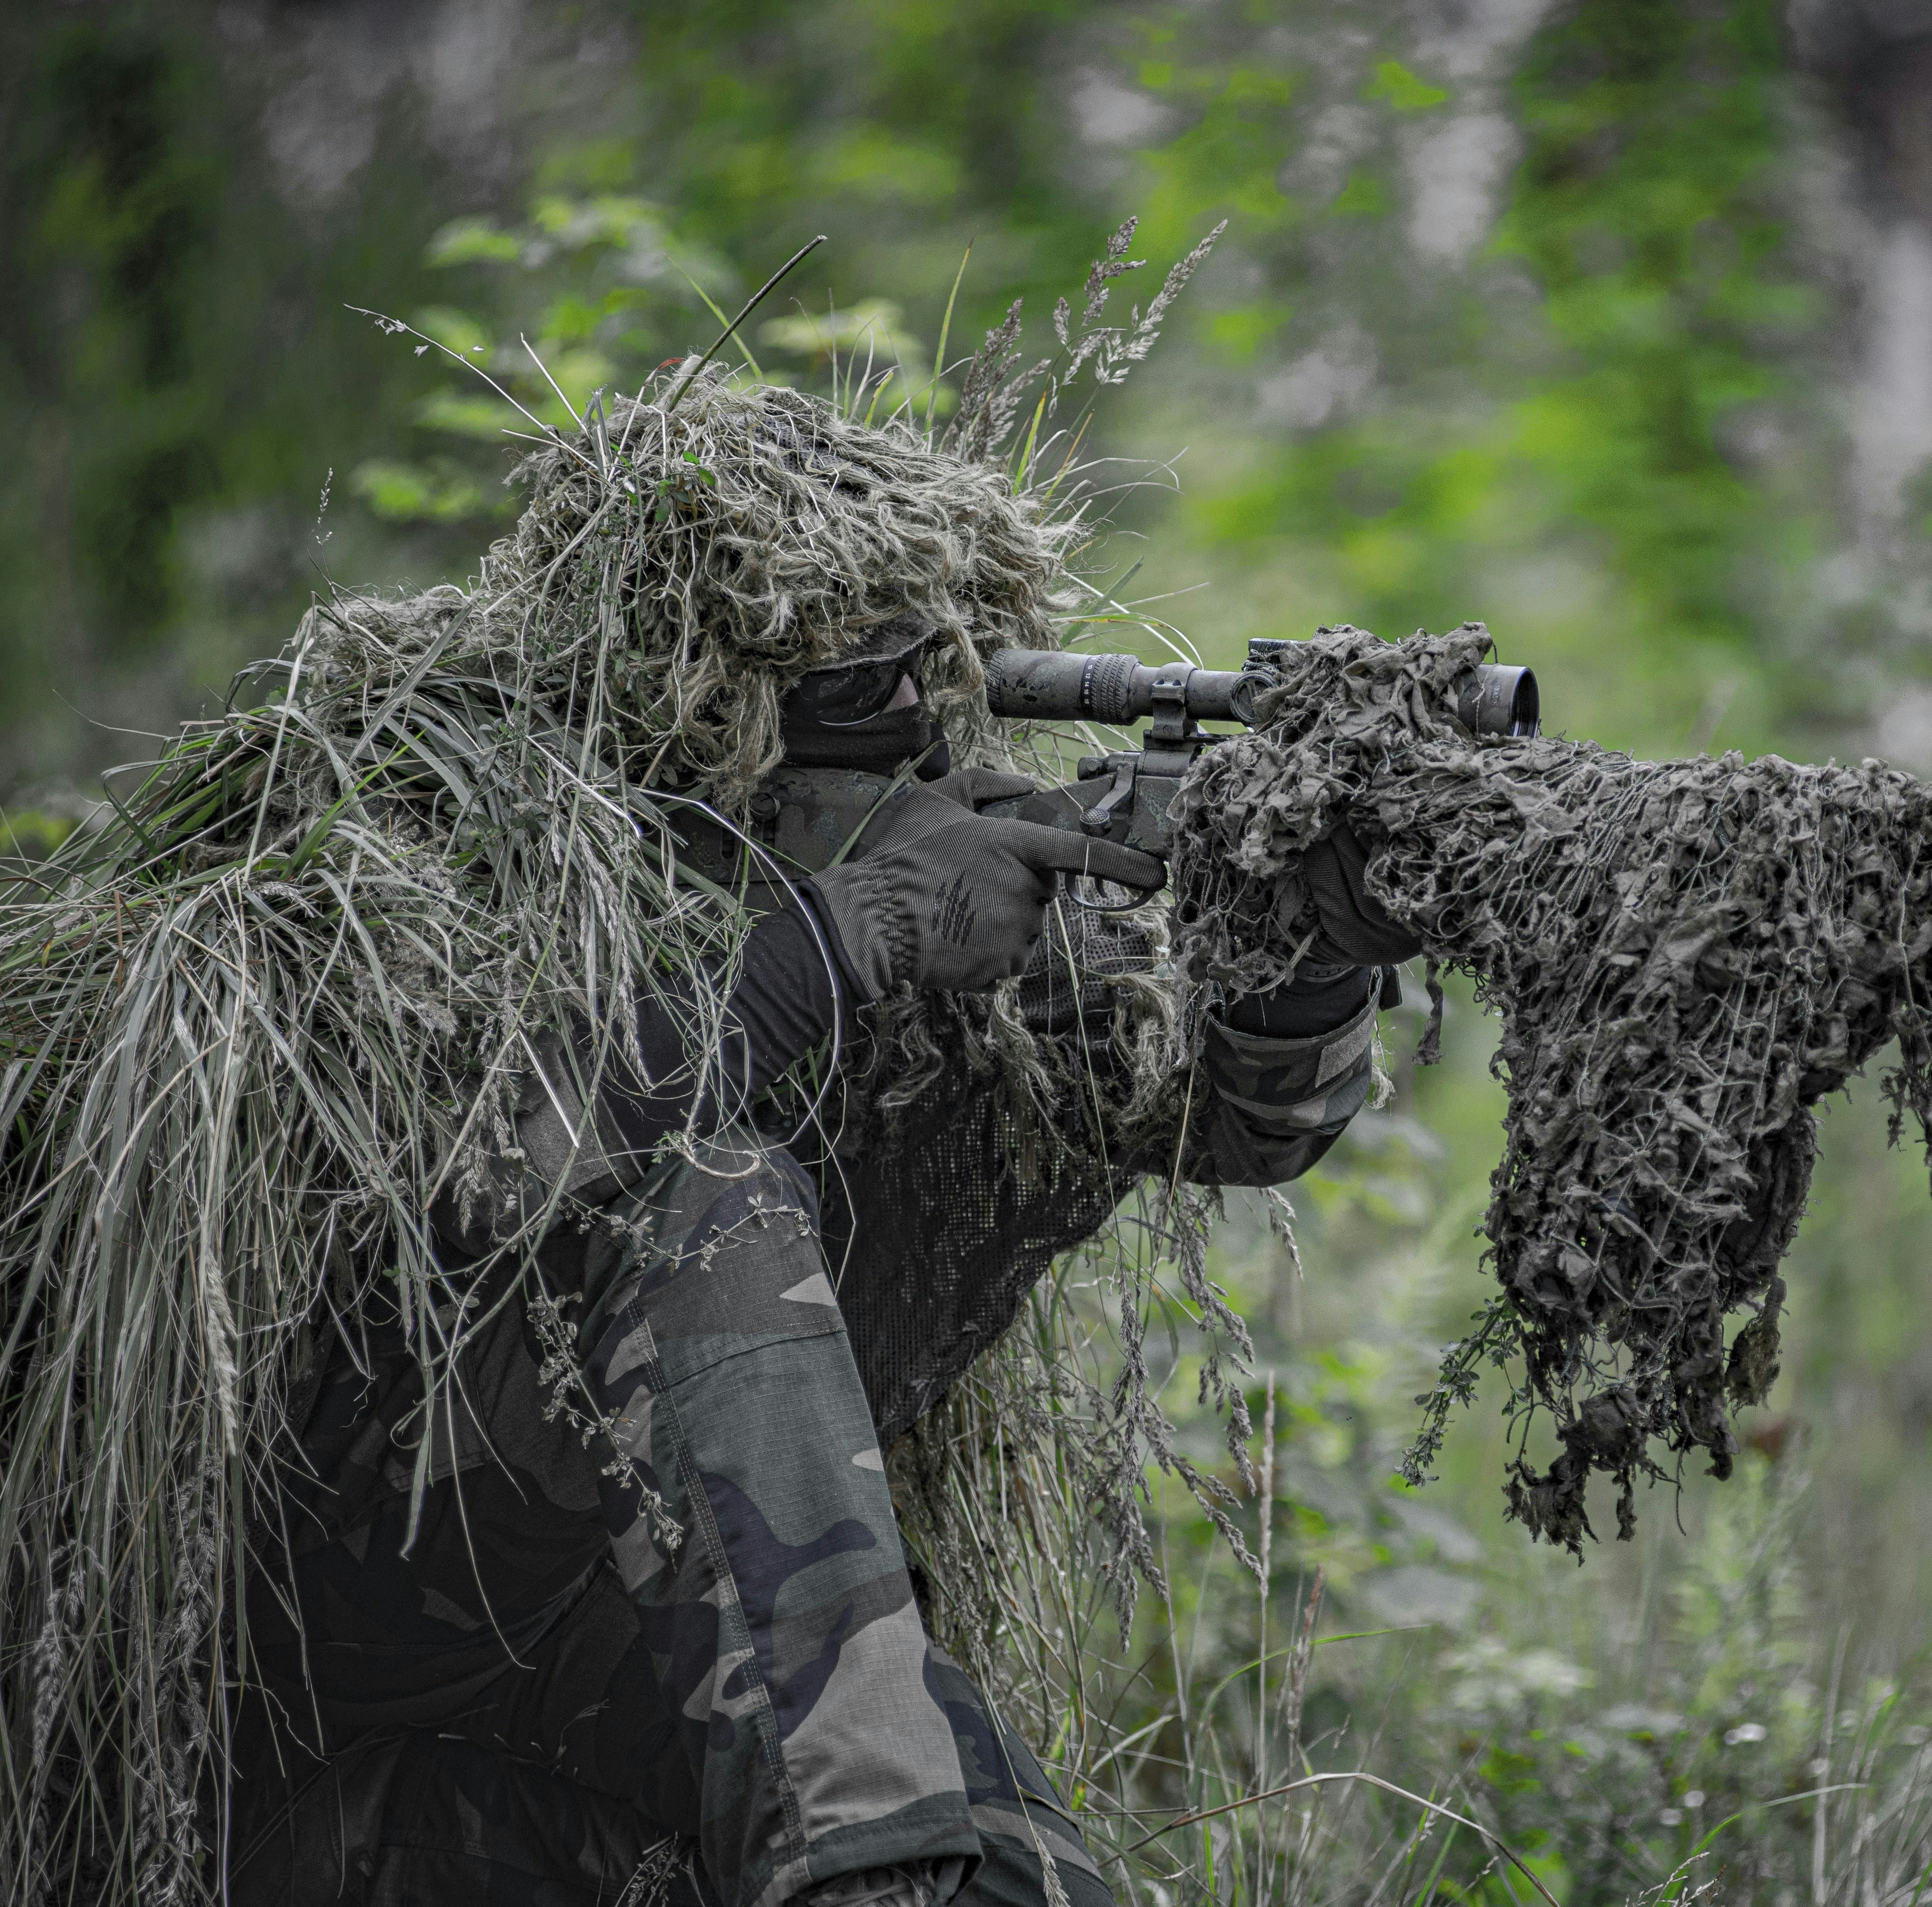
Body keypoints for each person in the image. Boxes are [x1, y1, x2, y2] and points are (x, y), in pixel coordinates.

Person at [226, 613, 1422, 1907]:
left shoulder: (950, 859)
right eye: (854, 668)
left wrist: (1305, 956)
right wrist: (828, 949)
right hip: (322, 1663)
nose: (912, 693)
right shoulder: (480, 839)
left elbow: (1222, 1124)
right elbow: (478, 1177)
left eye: (932, 654)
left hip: (597, 1664)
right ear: (702, 692)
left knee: (1013, 1875)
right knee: (714, 1198)